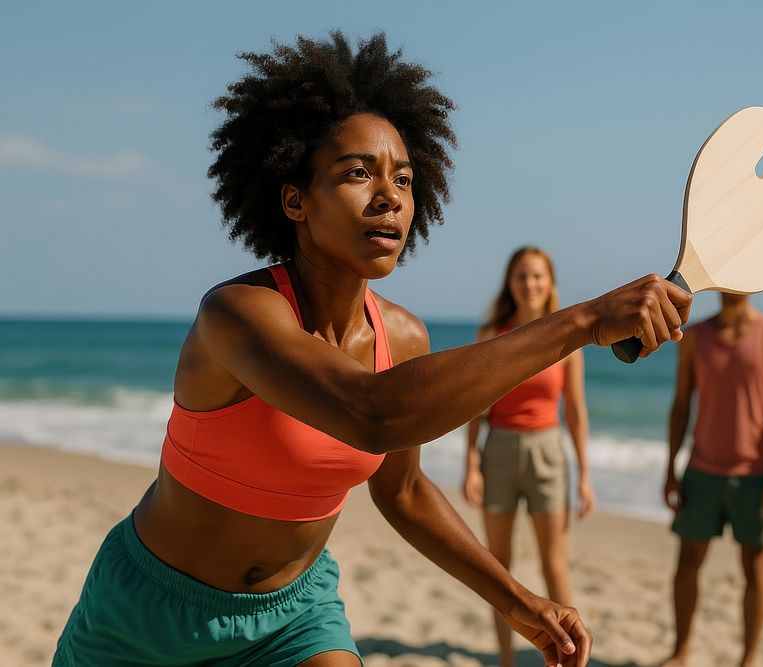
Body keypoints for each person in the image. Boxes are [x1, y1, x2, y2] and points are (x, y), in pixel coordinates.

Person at [53, 31, 692, 666]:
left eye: (405, 179)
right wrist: (579, 322)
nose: (389, 196)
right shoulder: (239, 315)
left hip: (290, 620)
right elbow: (372, 414)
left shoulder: (403, 338)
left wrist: (518, 600)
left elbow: (405, 491)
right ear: (295, 200)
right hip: (146, 618)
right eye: (358, 173)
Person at [462, 246, 595, 667]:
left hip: (547, 453)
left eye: (537, 276)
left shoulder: (568, 337)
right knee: (499, 570)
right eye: (522, 276)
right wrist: (470, 466)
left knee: (554, 563)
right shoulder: (492, 336)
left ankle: (570, 655)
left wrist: (586, 475)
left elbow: (575, 410)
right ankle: (505, 660)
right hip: (498, 451)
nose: (530, 283)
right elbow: (474, 408)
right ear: (510, 283)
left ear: (550, 283)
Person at [661, 293, 763, 667]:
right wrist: (670, 469)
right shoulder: (695, 336)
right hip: (702, 470)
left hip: (755, 475)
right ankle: (681, 650)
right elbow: (680, 404)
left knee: (754, 567)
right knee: (688, 561)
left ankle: (749, 657)